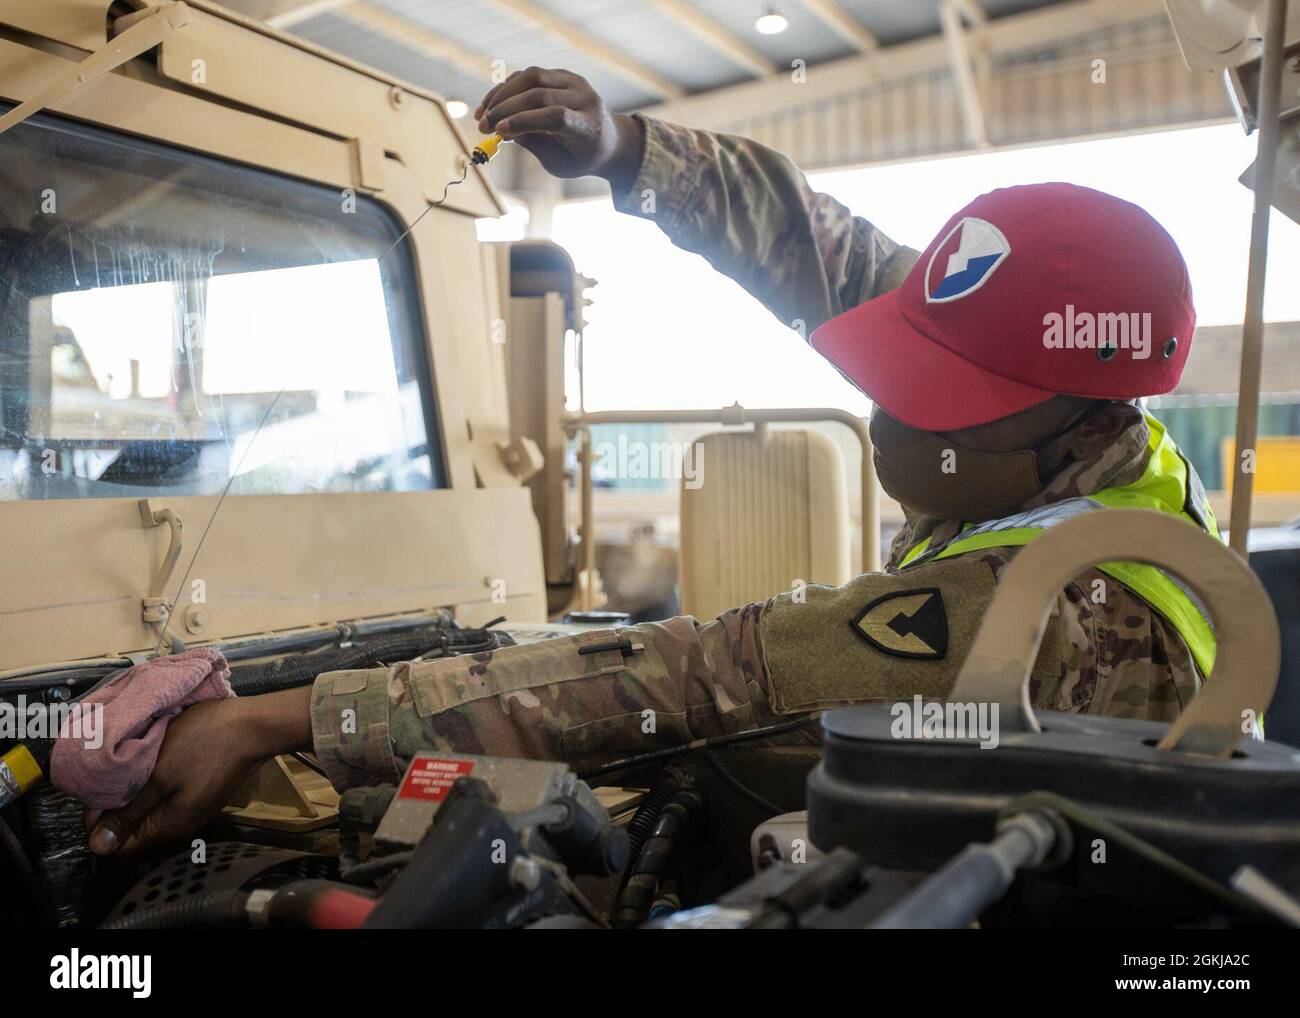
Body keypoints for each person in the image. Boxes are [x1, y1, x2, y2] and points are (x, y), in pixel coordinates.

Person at [84, 67, 1220, 859]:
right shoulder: (1100, 431)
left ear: (1071, 417)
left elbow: (685, 674)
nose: (890, 410)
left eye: (936, 399)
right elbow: (816, 246)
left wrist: (270, 721)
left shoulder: (1052, 612)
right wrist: (628, 153)